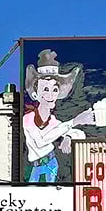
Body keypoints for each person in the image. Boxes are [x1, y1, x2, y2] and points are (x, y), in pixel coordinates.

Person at [22, 50, 97, 182]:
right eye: (45, 89)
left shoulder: (54, 122)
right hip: (34, 167)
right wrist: (74, 121)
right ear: (35, 94)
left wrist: (68, 136)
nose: (50, 95)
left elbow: (80, 134)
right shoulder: (28, 118)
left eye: (55, 89)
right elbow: (40, 141)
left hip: (51, 163)